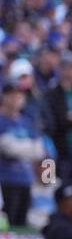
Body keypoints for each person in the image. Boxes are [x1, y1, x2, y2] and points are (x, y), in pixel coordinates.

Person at [0, 81, 48, 227]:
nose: (17, 99)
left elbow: (42, 150)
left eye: (20, 95)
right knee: (7, 223)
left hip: (26, 179)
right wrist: (28, 148)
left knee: (22, 224)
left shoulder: (27, 121)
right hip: (5, 179)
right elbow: (7, 148)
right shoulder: (2, 121)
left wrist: (48, 180)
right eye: (13, 95)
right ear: (4, 97)